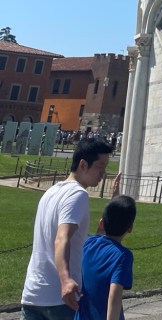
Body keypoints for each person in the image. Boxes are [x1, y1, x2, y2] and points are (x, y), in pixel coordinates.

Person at [21, 136, 112, 320]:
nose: (103, 174)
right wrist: (65, 280)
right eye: (100, 167)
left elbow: (75, 242)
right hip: (60, 299)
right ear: (83, 165)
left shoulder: (51, 192)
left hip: (32, 294)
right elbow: (62, 238)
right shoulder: (78, 194)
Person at [75, 197, 136, 320]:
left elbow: (99, 232)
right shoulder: (123, 255)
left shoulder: (88, 242)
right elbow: (115, 292)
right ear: (130, 228)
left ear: (101, 223)